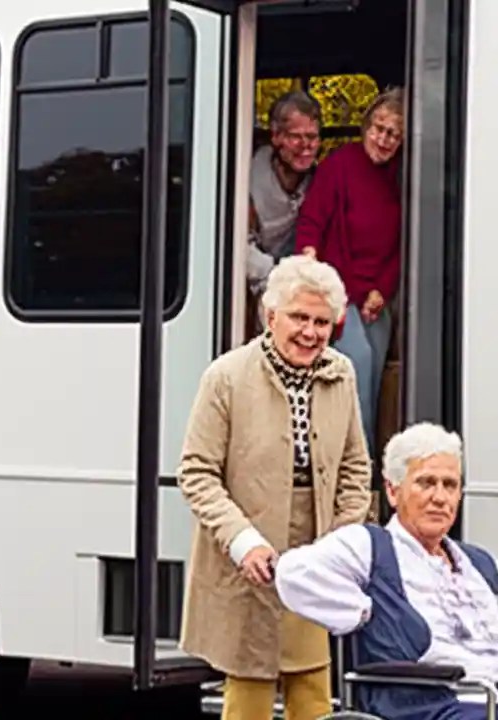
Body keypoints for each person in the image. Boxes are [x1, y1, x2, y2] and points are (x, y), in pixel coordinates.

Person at [274, 422, 498, 720]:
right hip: (430, 703)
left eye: (450, 485)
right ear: (392, 491)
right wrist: (361, 610)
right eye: (426, 483)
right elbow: (292, 574)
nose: (440, 497)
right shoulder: (368, 545)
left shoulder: (479, 563)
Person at [176, 254, 373, 720]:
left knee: (312, 690)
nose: (310, 332)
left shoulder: (340, 373)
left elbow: (355, 467)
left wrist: (340, 544)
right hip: (247, 558)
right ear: (270, 317)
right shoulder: (226, 376)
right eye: (299, 318)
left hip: (314, 554)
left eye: (322, 322)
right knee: (249, 689)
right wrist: (244, 543)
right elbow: (197, 472)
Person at [294, 87, 405, 455]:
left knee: (373, 383)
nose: (383, 139)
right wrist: (307, 262)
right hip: (339, 292)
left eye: (393, 133)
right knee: (356, 369)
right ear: (365, 125)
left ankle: (366, 465)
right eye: (377, 127)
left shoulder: (402, 178)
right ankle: (356, 466)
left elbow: (404, 244)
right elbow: (311, 220)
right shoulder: (339, 165)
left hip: (377, 297)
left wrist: (382, 291)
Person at [246, 90, 322, 335]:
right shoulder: (244, 180)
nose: (306, 147)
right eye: (296, 137)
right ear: (276, 137)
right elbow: (237, 251)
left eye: (312, 137)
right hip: (255, 281)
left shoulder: (319, 182)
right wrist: (276, 273)